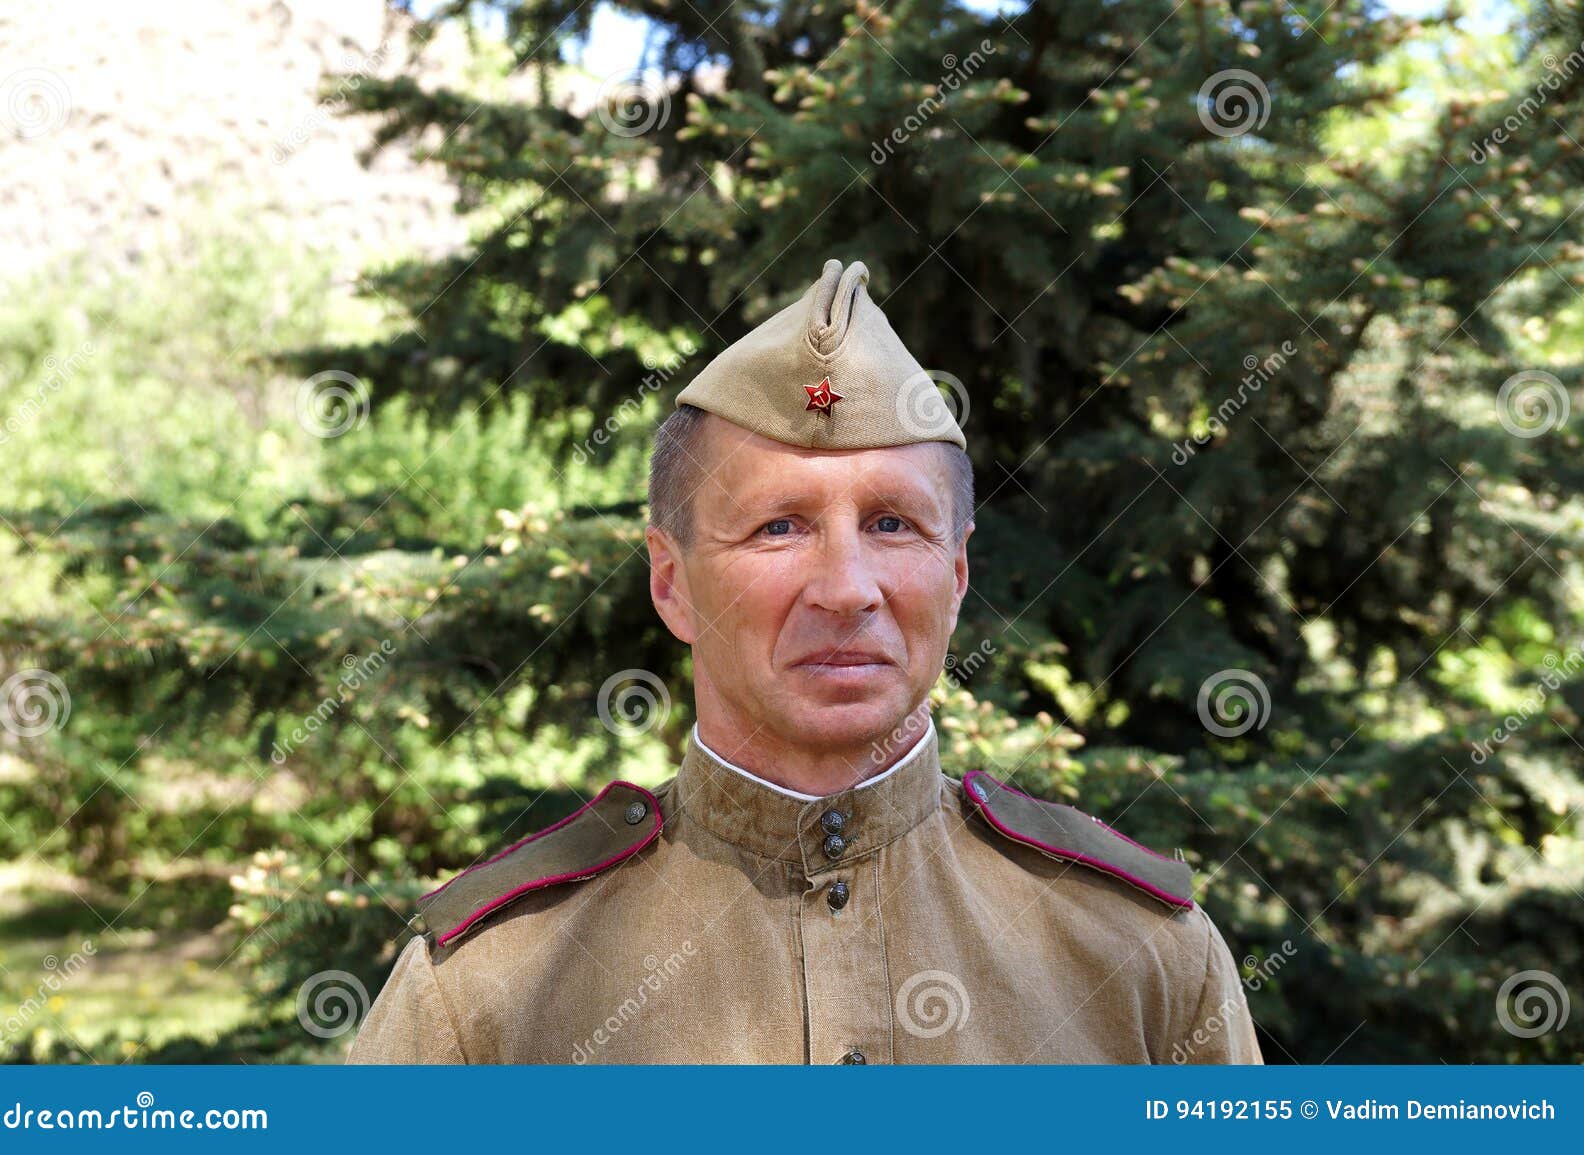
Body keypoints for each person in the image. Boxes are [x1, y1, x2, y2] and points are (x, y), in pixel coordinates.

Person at [347, 257, 1263, 1064]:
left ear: (956, 572)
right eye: (779, 525)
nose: (847, 587)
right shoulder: (487, 990)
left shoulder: (1141, 957)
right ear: (671, 582)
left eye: (892, 523)